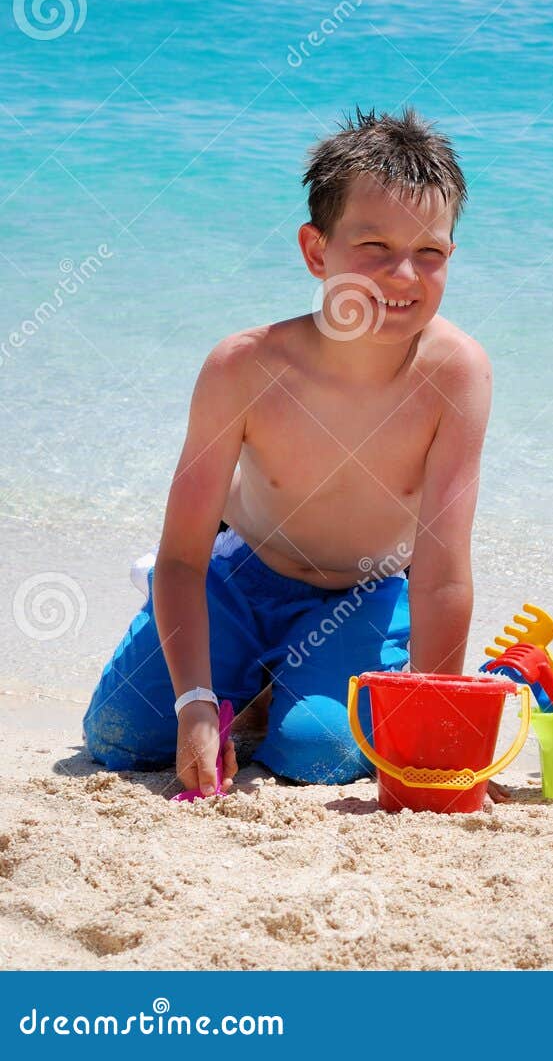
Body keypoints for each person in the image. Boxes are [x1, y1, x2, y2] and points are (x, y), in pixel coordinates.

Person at [83, 108, 491, 794]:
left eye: (431, 252)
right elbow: (183, 556)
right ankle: (227, 662)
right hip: (241, 572)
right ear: (316, 251)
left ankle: (279, 685)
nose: (404, 275)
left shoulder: (455, 374)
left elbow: (443, 573)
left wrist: (432, 726)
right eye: (374, 246)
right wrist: (194, 704)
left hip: (367, 590)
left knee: (318, 755)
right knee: (121, 739)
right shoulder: (244, 366)